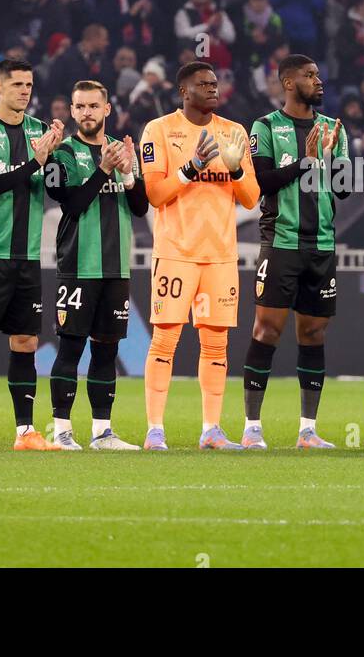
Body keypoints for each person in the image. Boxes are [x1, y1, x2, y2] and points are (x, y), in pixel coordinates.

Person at [138, 61, 259, 450]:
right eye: (203, 84)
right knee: (165, 340)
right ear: (183, 92)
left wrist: (238, 170)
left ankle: (211, 429)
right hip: (175, 252)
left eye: (215, 82)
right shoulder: (159, 130)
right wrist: (191, 168)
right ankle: (155, 429)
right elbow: (154, 195)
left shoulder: (233, 132)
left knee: (216, 343)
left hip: (221, 255)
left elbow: (252, 197)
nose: (212, 88)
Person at [243, 55, 348, 449]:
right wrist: (306, 160)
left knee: (314, 332)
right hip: (281, 243)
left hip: (321, 245)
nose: (318, 81)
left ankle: (308, 430)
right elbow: (262, 182)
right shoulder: (266, 127)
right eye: (309, 75)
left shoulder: (333, 128)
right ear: (288, 82)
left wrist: (333, 158)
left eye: (319, 74)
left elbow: (343, 190)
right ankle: (252, 426)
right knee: (267, 330)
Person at [0, 59, 66, 451]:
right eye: (18, 84)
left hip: (27, 256)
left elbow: (55, 189)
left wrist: (56, 157)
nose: (25, 90)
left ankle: (25, 430)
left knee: (25, 341)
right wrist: (36, 161)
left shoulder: (40, 131)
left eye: (29, 84)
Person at [44, 81, 149, 451]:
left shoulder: (119, 152)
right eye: (80, 107)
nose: (86, 112)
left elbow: (140, 208)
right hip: (78, 265)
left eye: (93, 106)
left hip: (116, 266)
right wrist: (104, 170)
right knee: (70, 348)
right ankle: (60, 432)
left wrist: (129, 174)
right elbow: (71, 204)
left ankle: (103, 432)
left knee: (106, 349)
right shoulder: (63, 154)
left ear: (107, 109)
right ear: (72, 112)